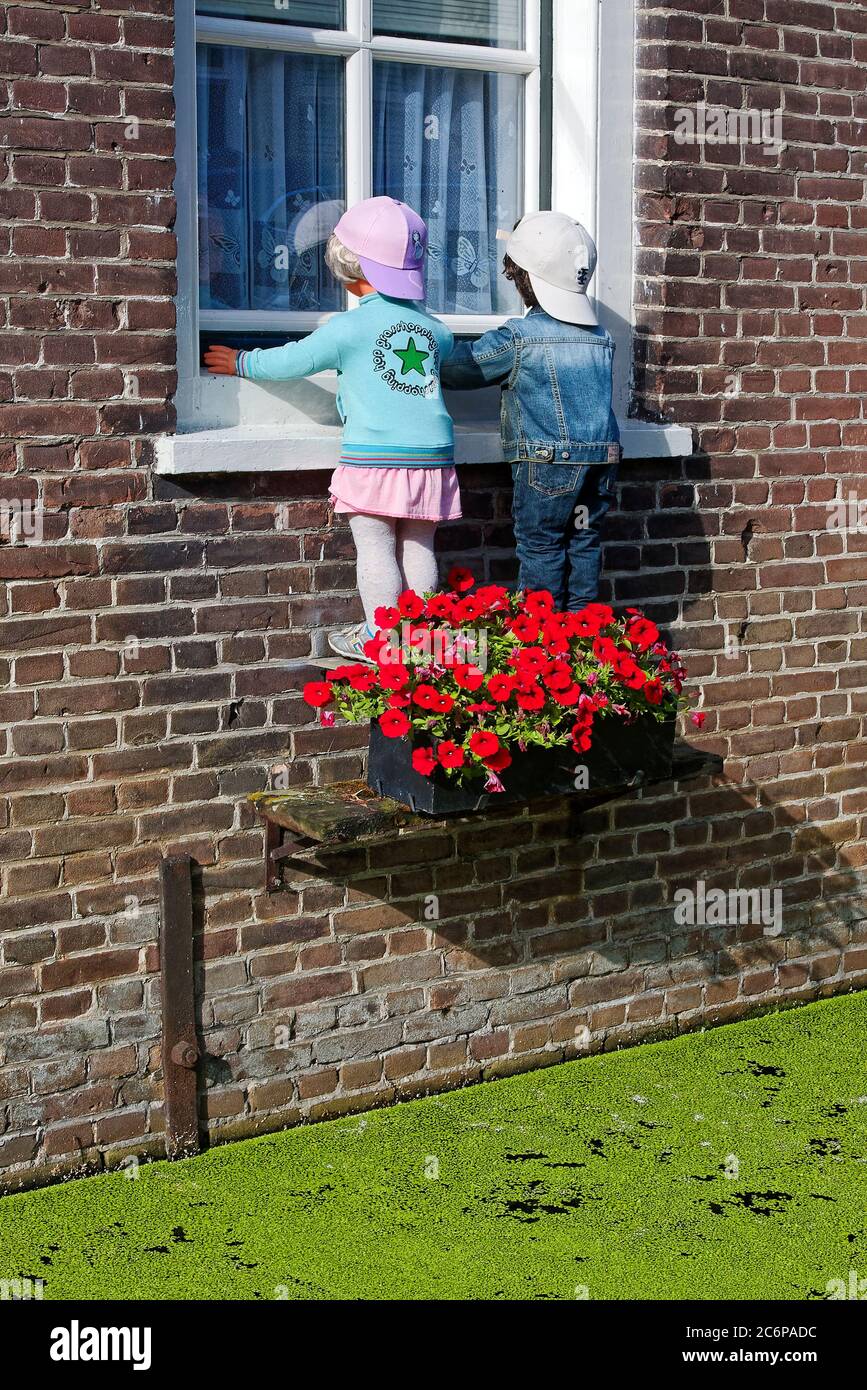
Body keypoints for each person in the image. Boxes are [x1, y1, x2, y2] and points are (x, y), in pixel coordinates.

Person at [205, 197, 460, 661]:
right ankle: (420, 637)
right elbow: (459, 369)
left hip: (377, 456)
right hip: (433, 455)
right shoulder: (435, 330)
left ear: (350, 267)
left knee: (376, 546)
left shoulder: (348, 328)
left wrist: (242, 361)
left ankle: (381, 639)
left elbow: (293, 360)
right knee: (419, 545)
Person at [441, 212, 621, 612]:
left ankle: (545, 639)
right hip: (600, 464)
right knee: (582, 539)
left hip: (549, 467)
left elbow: (460, 369)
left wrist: (425, 338)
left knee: (542, 545)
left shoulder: (520, 337)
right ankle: (585, 638)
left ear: (523, 277)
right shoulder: (601, 338)